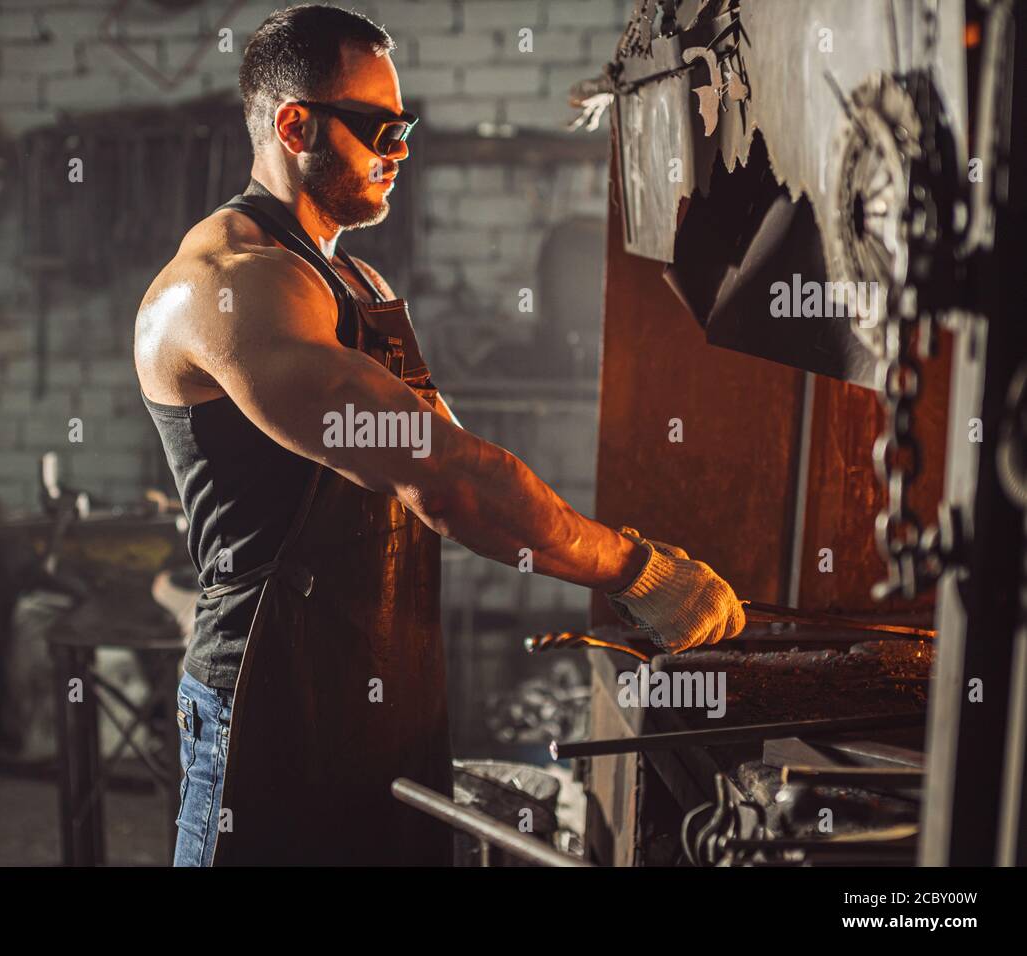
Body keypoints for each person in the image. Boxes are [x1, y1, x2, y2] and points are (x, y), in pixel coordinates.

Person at [134, 4, 745, 867]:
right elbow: (447, 481)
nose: (402, 148)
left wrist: (610, 558)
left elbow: (459, 469)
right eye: (381, 127)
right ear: (295, 124)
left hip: (383, 680)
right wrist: (633, 568)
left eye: (405, 124)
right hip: (268, 696)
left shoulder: (352, 278)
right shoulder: (231, 288)